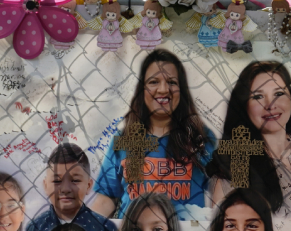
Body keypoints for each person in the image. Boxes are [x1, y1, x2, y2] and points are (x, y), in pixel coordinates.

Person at [93, 50, 217, 219]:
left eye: (172, 82)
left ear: (182, 90)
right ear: (142, 89)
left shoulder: (200, 137)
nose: (163, 89)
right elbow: (106, 198)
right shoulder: (124, 139)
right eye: (154, 82)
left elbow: (221, 187)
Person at [207, 61, 291, 213]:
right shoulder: (236, 164)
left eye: (279, 93)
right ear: (244, 107)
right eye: (258, 96)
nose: (270, 105)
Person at [25, 143, 118, 231]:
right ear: (45, 185)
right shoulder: (34, 227)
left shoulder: (106, 229)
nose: (66, 188)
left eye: (75, 180)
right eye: (57, 181)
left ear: (88, 185)